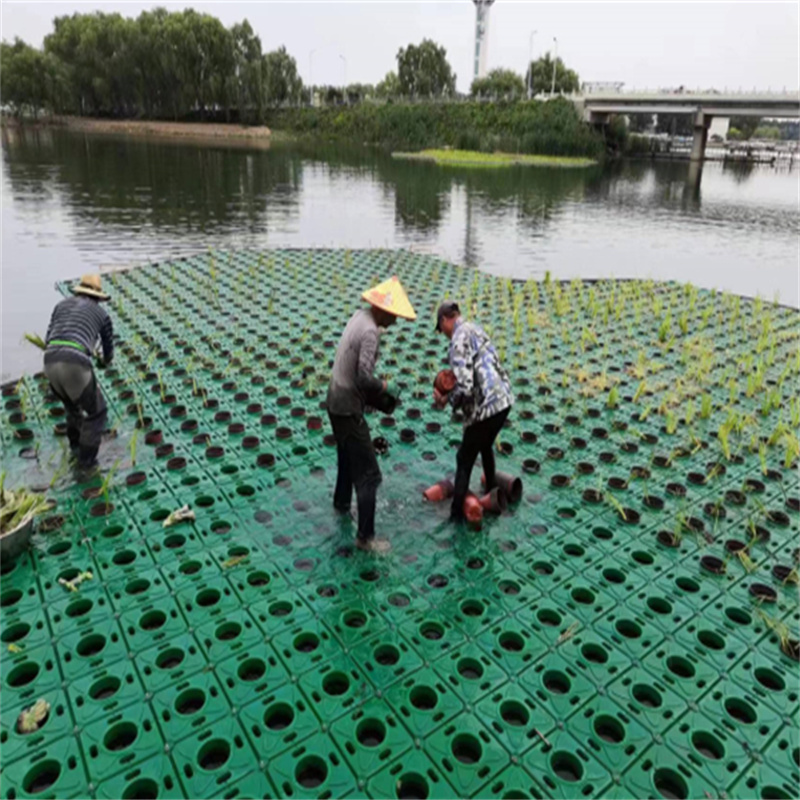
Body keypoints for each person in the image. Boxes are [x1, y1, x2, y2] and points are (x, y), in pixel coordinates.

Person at [326, 276, 416, 553]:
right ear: (383, 310)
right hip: (347, 406)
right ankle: (366, 537)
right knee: (369, 475)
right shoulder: (370, 332)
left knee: (346, 456)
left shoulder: (359, 317)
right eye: (394, 315)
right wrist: (387, 387)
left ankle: (341, 505)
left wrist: (373, 398)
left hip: (334, 400)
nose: (396, 322)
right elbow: (364, 378)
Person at [434, 301, 514, 523]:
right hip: (504, 400)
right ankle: (491, 492)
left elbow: (465, 387)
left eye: (442, 331)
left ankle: (456, 515)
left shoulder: (458, 339)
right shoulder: (475, 329)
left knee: (464, 458)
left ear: (444, 320)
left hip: (486, 406)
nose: (444, 336)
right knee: (485, 444)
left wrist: (445, 399)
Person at [44, 274, 114, 469]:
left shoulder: (61, 306)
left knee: (72, 408)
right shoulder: (101, 314)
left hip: (49, 362)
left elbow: (48, 338)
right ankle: (86, 466)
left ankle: (75, 449)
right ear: (98, 297)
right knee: (97, 412)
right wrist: (103, 361)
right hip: (75, 365)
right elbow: (108, 353)